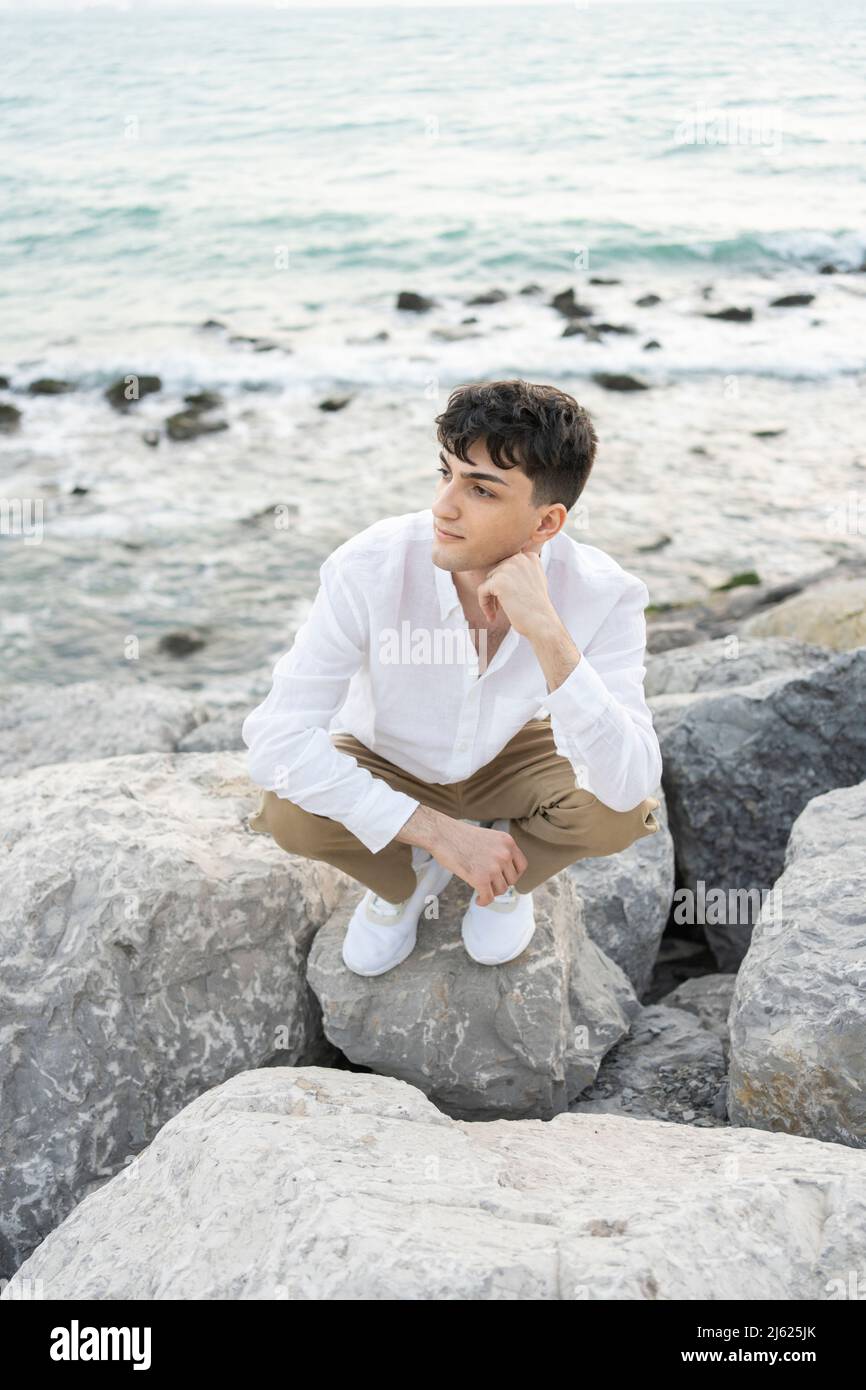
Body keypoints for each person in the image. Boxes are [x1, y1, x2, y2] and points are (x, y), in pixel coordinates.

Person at [242, 379, 661, 977]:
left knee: (622, 810)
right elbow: (275, 741)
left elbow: (631, 780)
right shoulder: (367, 566)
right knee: (289, 809)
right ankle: (401, 883)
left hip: (511, 756)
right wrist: (436, 833)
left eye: (481, 490)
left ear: (546, 523)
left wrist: (546, 629)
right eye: (447, 474)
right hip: (389, 757)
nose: (444, 506)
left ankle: (508, 878)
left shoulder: (607, 592)